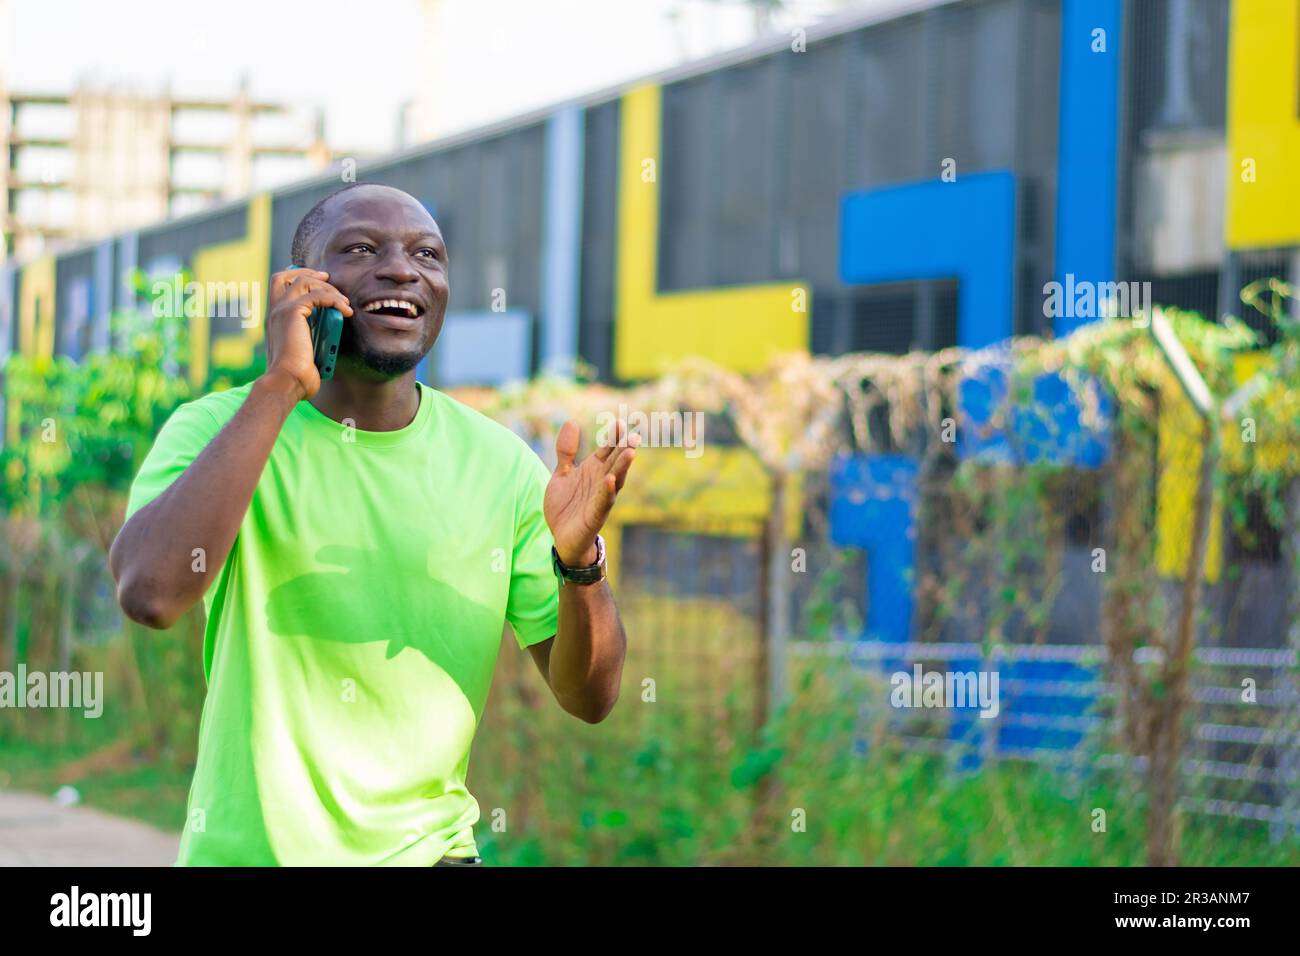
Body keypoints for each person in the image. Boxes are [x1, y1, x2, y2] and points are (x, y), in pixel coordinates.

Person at [109, 182, 637, 865]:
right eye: (362, 248)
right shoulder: (220, 429)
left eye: (428, 254)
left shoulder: (502, 465)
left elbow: (589, 698)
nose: (402, 269)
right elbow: (149, 595)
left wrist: (581, 565)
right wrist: (279, 389)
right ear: (301, 287)